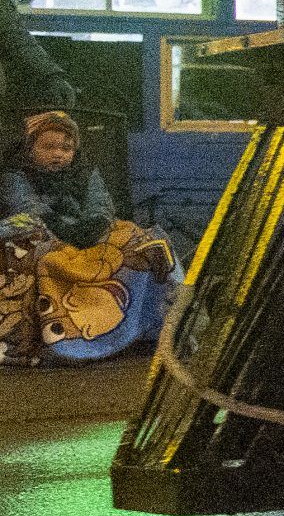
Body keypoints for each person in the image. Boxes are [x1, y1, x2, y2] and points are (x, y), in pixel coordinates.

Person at [1, 112, 174, 366]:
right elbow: (25, 207)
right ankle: (55, 336)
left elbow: (101, 204)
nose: (58, 154)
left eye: (66, 148)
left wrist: (94, 224)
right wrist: (61, 227)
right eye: (48, 147)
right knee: (25, 237)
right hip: (45, 230)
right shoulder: (15, 175)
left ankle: (151, 325)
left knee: (142, 241)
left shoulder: (85, 172)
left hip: (85, 231)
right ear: (30, 148)